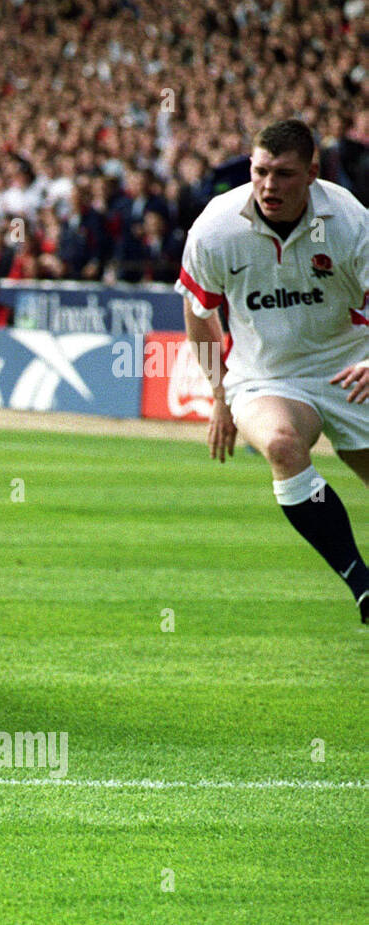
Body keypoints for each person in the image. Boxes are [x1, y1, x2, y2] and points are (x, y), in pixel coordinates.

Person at [176, 118, 369, 625]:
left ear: (312, 172)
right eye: (260, 171)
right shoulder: (217, 226)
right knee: (283, 446)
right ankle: (364, 587)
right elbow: (199, 314)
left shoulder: (350, 220)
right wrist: (219, 395)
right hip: (266, 377)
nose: (267, 185)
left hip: (351, 364)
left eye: (283, 174)